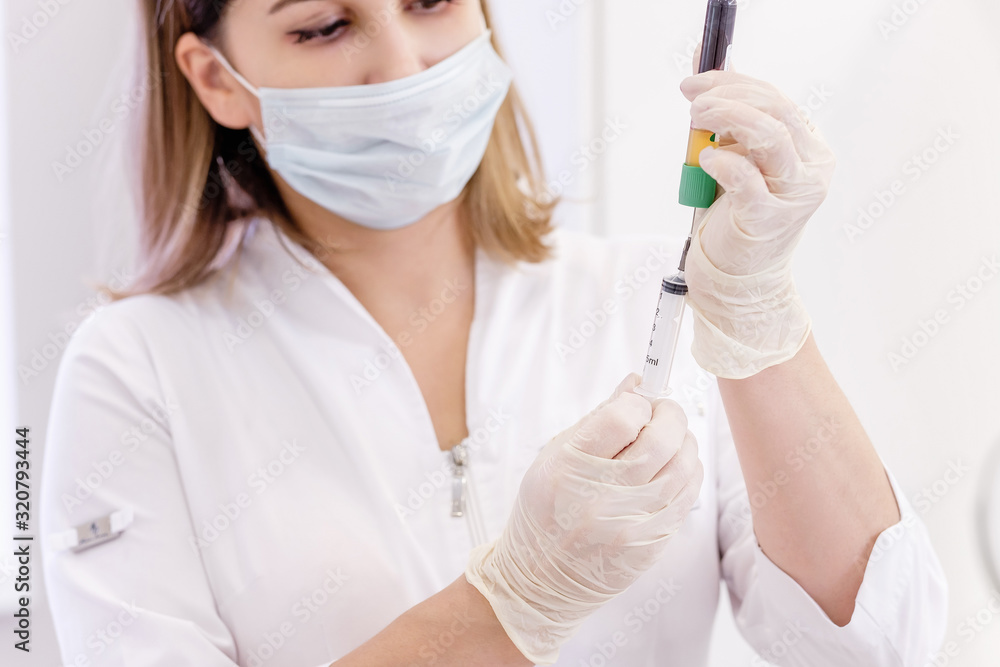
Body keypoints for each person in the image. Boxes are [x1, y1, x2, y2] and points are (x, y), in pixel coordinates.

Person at [40, 0, 947, 665]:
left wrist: (759, 322)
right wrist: (514, 600)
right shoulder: (138, 371)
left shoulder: (641, 298)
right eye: (323, 26)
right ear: (213, 78)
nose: (404, 68)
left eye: (430, 2)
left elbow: (880, 641)